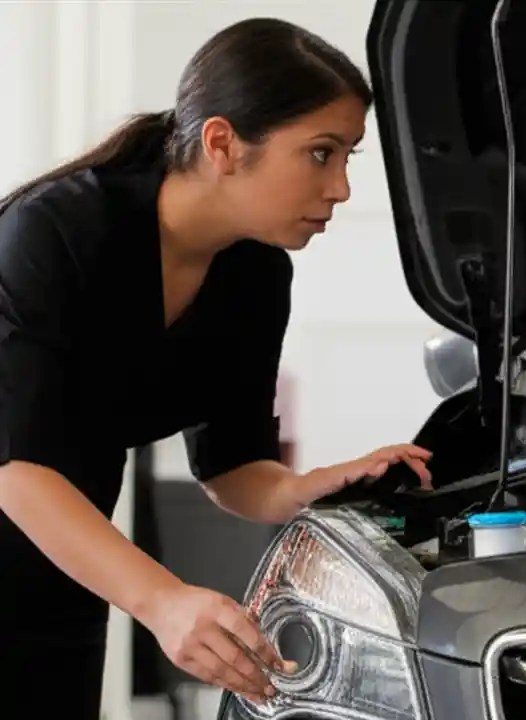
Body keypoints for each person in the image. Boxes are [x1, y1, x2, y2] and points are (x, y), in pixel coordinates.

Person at [0, 17, 433, 717]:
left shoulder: (256, 275)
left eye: (348, 156)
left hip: (66, 583)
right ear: (223, 144)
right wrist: (162, 601)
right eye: (321, 154)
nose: (343, 188)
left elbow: (231, 470)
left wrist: (310, 486)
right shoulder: (53, 232)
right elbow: (16, 468)